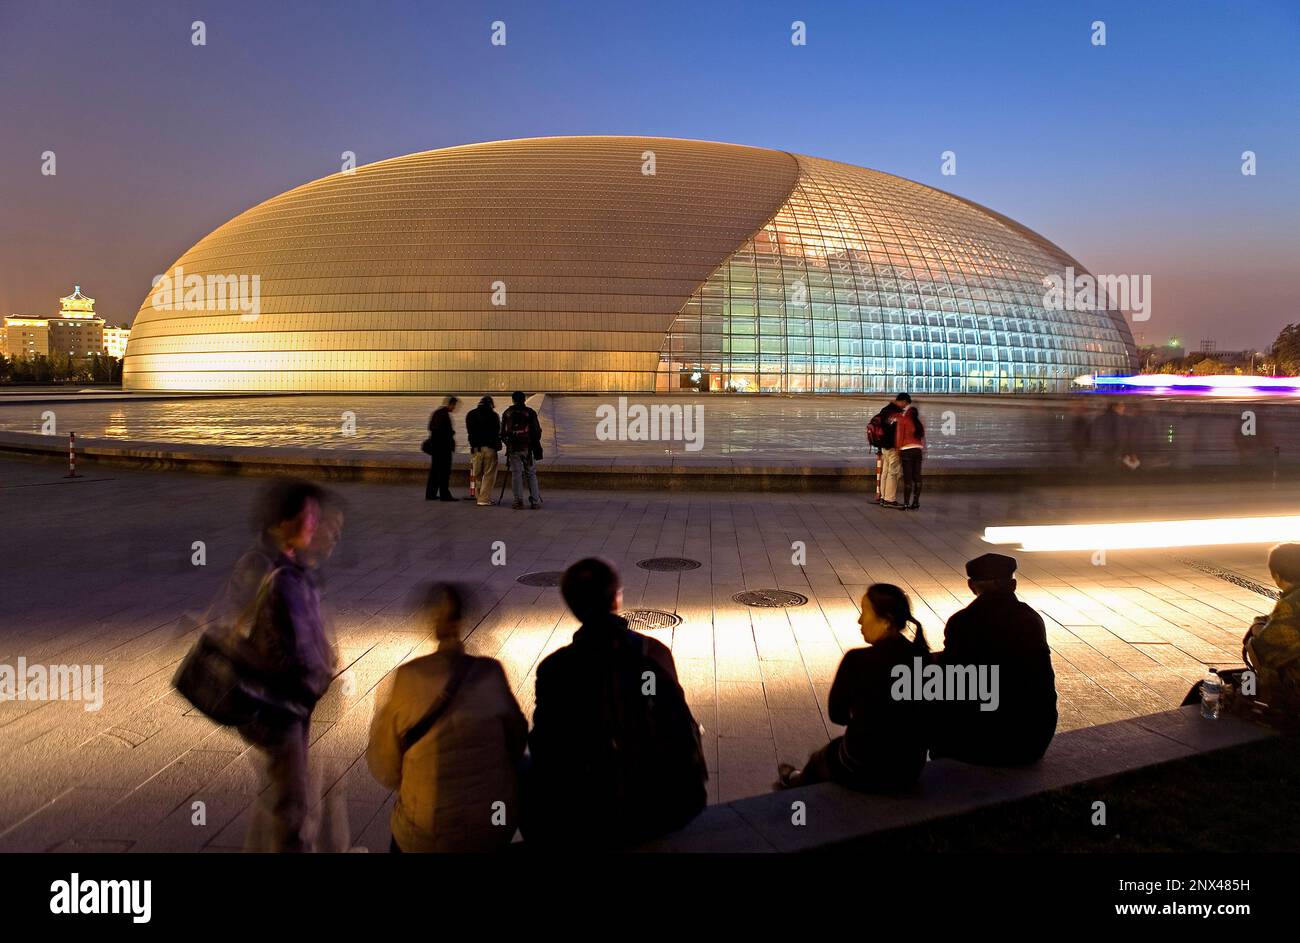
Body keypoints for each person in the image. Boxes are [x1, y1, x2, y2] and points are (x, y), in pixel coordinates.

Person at [523, 558, 707, 847]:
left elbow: (545, 743)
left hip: (585, 814)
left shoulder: (555, 668)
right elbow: (678, 725)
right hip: (660, 809)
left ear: (572, 606)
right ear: (616, 600)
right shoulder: (653, 654)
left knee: (524, 765)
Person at [367, 583, 527, 852]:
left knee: (404, 836)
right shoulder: (490, 673)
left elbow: (384, 766)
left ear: (430, 622)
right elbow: (517, 742)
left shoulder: (408, 677)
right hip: (491, 829)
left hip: (426, 835)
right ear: (464, 621)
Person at [237, 480, 341, 852]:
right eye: (309, 518)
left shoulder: (288, 566)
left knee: (282, 798)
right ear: (284, 523)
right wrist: (319, 672)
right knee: (290, 807)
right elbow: (287, 650)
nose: (315, 526)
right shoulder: (276, 574)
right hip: (280, 707)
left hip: (285, 705)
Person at [777, 584, 928, 792]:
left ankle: (793, 781)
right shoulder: (924, 659)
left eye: (865, 613)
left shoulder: (857, 661)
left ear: (885, 621)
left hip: (864, 765)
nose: (859, 620)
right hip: (909, 767)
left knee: (821, 758)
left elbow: (837, 715)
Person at [929, 553, 1057, 766]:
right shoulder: (1032, 619)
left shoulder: (962, 622)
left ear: (971, 586)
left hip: (987, 742)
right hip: (1033, 738)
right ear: (1013, 585)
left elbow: (955, 677)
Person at [1181, 543, 1300, 718]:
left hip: (1293, 693)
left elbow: (1262, 649)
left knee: (1220, 687)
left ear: (1277, 576)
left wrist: (1256, 628)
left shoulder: (1291, 604)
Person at [500, 391, 542, 510]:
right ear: (524, 400)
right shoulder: (530, 412)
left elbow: (502, 433)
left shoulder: (507, 413)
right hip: (528, 449)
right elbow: (537, 432)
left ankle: (518, 501)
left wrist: (508, 444)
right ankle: (535, 501)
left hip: (513, 449)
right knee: (531, 474)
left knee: (516, 474)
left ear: (513, 400)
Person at [464, 395, 502, 507]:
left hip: (475, 449)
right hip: (490, 448)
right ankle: (484, 499)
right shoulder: (493, 415)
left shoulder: (471, 414)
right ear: (491, 404)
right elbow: (497, 431)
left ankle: (479, 496)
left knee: (477, 474)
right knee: (489, 474)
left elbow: (469, 430)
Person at [890, 392, 925, 510]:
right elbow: (922, 439)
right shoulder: (919, 423)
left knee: (908, 478)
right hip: (918, 450)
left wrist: (898, 449)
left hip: (906, 451)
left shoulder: (903, 419)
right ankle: (916, 502)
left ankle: (905, 504)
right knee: (917, 477)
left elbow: (899, 437)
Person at [869, 396, 904, 508]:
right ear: (902, 401)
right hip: (892, 446)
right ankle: (889, 499)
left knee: (885, 471)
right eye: (905, 404)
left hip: (883, 446)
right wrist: (899, 446)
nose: (905, 406)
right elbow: (897, 431)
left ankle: (883, 497)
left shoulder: (885, 410)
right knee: (893, 472)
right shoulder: (896, 413)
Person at [425, 396, 459, 502]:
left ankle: (431, 494)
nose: (455, 408)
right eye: (455, 406)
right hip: (443, 449)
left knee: (434, 471)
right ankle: (445, 495)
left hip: (436, 448)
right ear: (451, 404)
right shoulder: (444, 415)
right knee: (444, 472)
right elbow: (444, 432)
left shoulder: (436, 413)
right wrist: (451, 433)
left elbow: (430, 427)